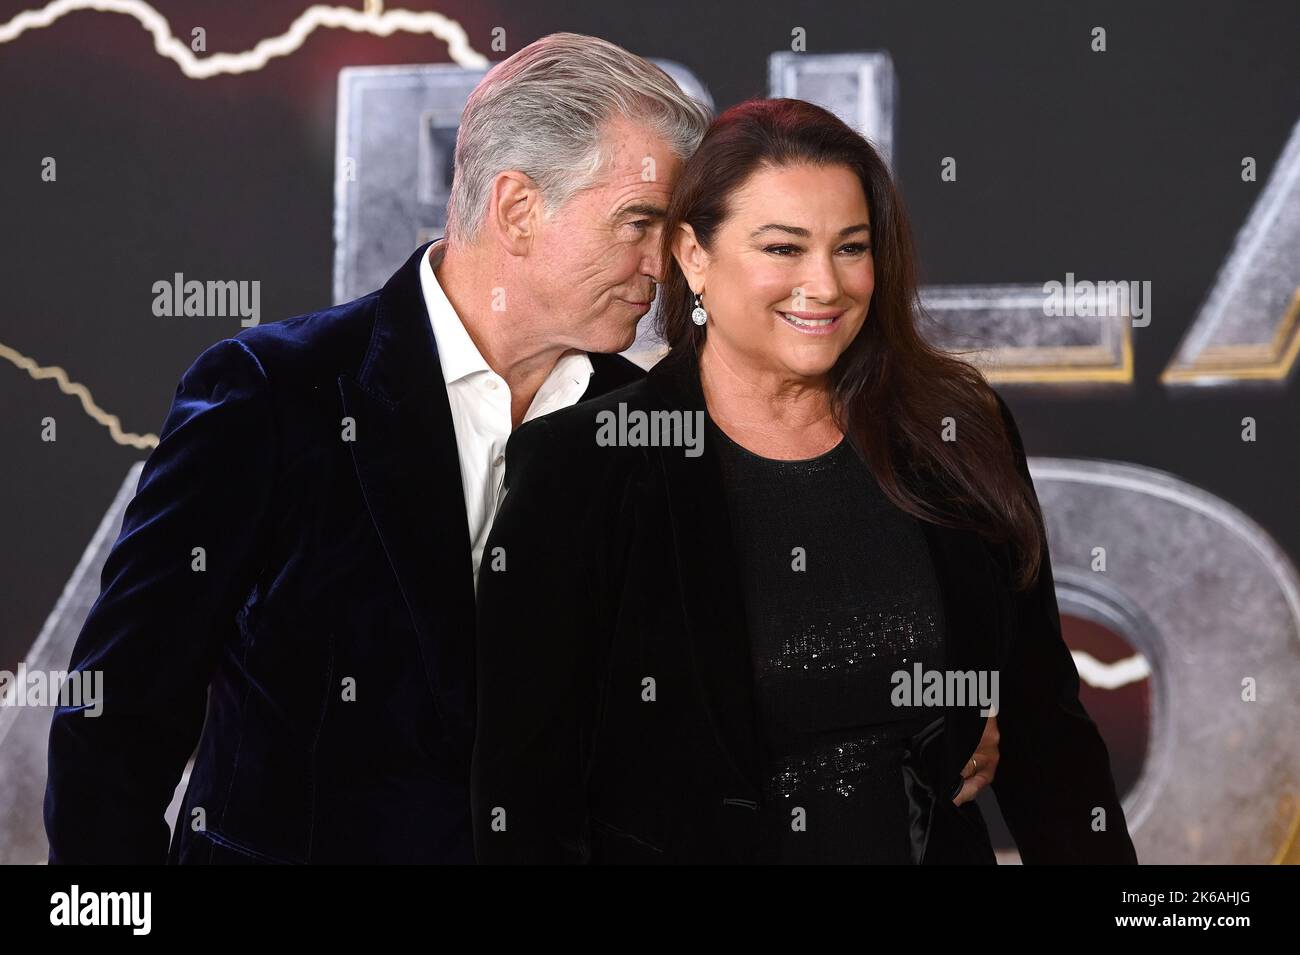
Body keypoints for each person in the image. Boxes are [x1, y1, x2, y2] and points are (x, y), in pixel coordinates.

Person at [43, 33, 709, 864]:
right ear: (517, 208)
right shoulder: (271, 394)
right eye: (640, 223)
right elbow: (116, 725)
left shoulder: (648, 428)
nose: (663, 264)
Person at [471, 98, 1137, 864]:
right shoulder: (584, 464)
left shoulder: (956, 430)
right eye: (783, 249)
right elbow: (526, 802)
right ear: (693, 254)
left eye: (850, 248)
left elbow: (1045, 730)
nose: (824, 285)